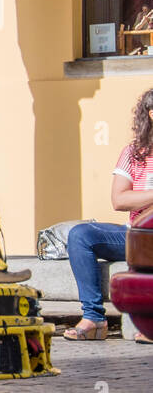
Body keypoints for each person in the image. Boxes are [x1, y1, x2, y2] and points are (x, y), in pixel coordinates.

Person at [64, 89, 153, 341]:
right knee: (80, 235)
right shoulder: (134, 153)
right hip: (136, 235)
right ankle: (94, 319)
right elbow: (120, 199)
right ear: (151, 114)